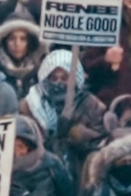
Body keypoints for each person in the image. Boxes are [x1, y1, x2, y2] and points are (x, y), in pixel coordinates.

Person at [21, 49, 105, 178]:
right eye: (53, 78)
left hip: (79, 170)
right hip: (41, 174)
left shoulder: (91, 105)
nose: (59, 83)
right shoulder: (29, 105)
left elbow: (100, 141)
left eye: (65, 78)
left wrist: (79, 136)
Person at [0, 19, 47, 99]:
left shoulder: (41, 73)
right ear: (4, 42)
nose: (17, 44)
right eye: (12, 38)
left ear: (30, 42)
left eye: (23, 39)